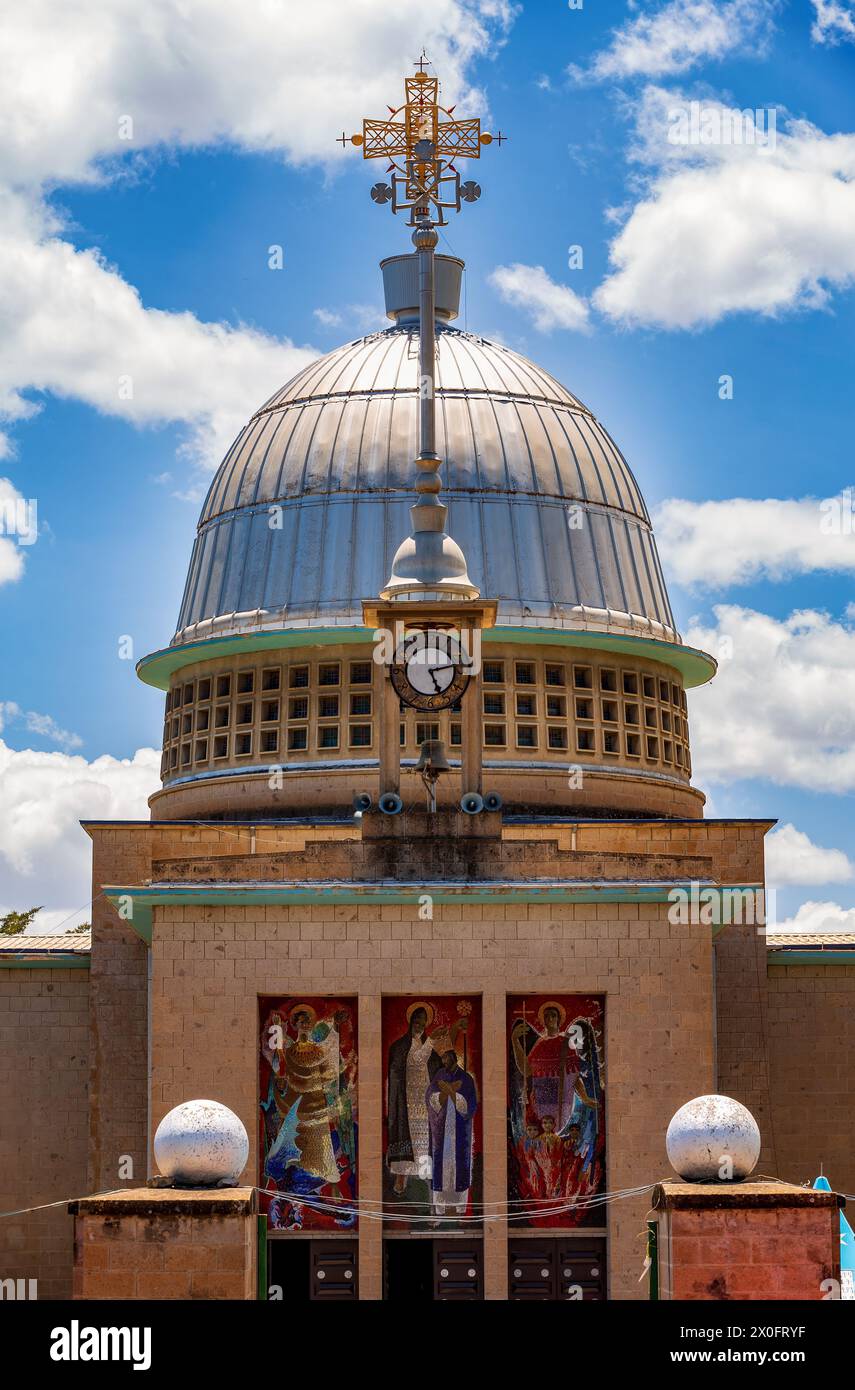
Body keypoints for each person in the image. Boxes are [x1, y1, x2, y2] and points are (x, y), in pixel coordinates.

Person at [386, 1003, 442, 1193]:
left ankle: (426, 1180)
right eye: (417, 1022)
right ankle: (401, 1178)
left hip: (425, 1100)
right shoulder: (401, 1046)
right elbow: (415, 1060)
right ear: (411, 1022)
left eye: (423, 1023)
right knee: (405, 1136)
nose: (419, 1026)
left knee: (425, 1139)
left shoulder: (428, 1046)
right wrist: (432, 1041)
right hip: (407, 1100)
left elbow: (437, 1066)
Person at [426, 1046, 478, 1218]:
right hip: (441, 1130)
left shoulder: (466, 1078)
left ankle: (460, 1208)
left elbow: (470, 1106)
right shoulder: (439, 1076)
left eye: (446, 1058)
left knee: (460, 1167)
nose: (444, 1062)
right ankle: (440, 1208)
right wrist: (448, 1091)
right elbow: (431, 1098)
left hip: (459, 1132)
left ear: (454, 1059)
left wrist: (450, 1092)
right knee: (441, 1166)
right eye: (443, 1059)